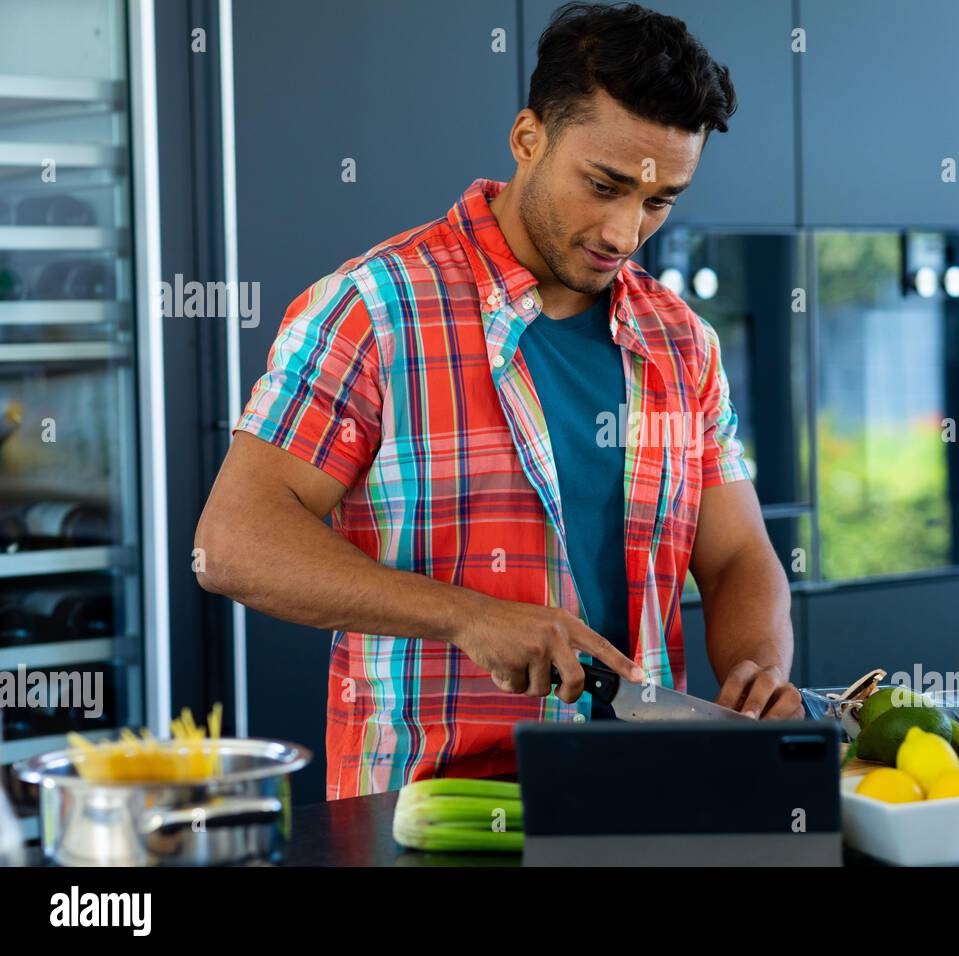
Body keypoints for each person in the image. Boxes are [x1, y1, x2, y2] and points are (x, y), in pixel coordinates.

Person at [195, 2, 799, 799]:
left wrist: (757, 675)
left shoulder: (681, 342)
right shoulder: (375, 308)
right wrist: (465, 615)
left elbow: (736, 557)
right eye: (604, 185)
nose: (625, 232)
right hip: (426, 809)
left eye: (658, 201)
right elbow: (233, 543)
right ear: (528, 139)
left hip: (641, 793)